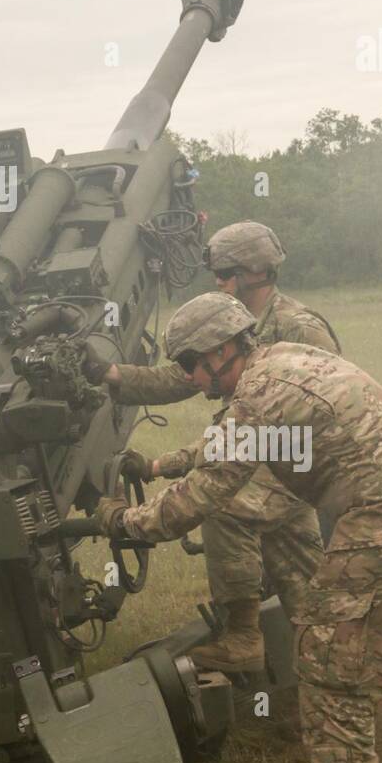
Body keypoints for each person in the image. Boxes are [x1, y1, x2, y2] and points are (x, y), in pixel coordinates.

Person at [94, 292, 382, 763]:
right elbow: (229, 440)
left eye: (189, 363)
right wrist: (163, 463)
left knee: (329, 664)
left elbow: (197, 501)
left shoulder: (261, 394)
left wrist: (122, 521)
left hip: (379, 515)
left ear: (222, 350)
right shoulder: (281, 362)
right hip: (377, 506)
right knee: (363, 640)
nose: (189, 375)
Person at [89, 222, 337, 671]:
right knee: (306, 590)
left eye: (224, 273)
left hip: (300, 463)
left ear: (251, 271)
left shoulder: (297, 328)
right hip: (272, 463)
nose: (218, 282)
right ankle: (322, 665)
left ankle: (243, 638)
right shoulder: (231, 331)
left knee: (225, 504)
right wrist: (112, 376)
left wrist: (132, 519)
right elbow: (186, 380)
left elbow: (325, 414)